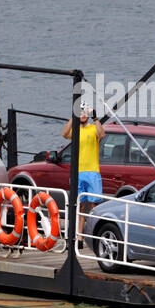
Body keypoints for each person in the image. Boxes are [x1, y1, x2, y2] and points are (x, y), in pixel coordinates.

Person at [61, 101, 104, 243]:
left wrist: (96, 118)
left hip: (92, 171)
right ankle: (79, 236)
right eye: (80, 112)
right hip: (78, 172)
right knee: (79, 204)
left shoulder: (93, 128)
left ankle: (96, 234)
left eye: (85, 112)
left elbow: (102, 134)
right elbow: (64, 133)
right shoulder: (75, 129)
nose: (83, 115)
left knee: (94, 205)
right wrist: (73, 117)